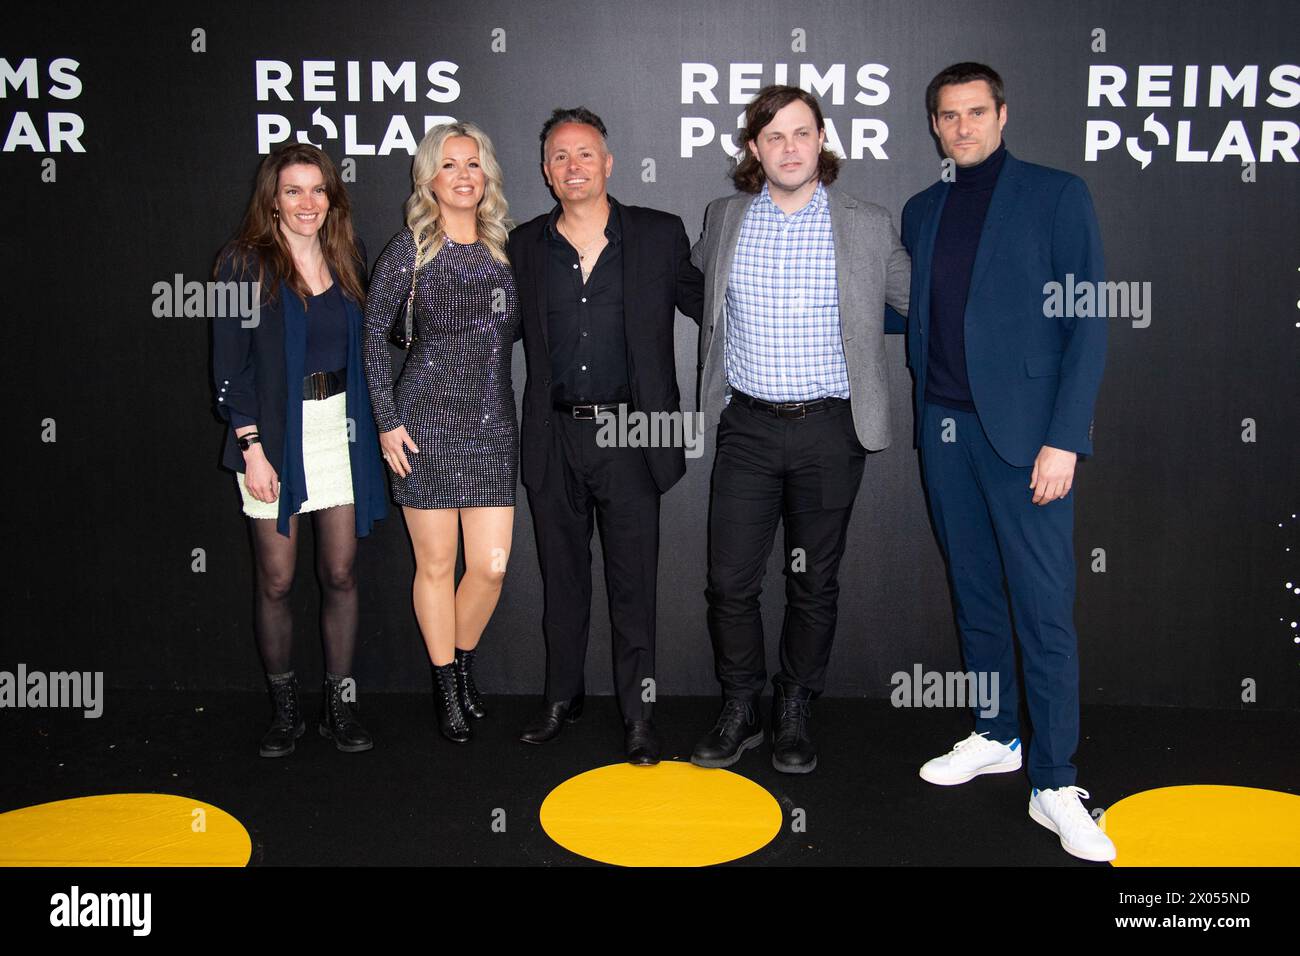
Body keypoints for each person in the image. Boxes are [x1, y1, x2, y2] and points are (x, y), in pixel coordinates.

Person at [890, 62, 1113, 861]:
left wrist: (1067, 437)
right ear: (935, 125)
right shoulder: (922, 210)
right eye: (948, 116)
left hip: (1029, 444)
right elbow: (904, 310)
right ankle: (996, 734)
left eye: (976, 112)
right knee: (977, 595)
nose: (963, 127)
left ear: (1003, 113)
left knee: (1043, 611)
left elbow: (1088, 321)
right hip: (945, 435)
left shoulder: (1057, 195)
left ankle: (1055, 781)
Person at [689, 85, 910, 775]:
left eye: (802, 133)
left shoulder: (867, 223)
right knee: (730, 583)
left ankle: (794, 706)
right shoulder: (724, 218)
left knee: (815, 584)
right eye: (774, 136)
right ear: (753, 148)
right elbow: (691, 292)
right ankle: (740, 705)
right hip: (747, 428)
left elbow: (921, 301)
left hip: (830, 432)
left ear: (823, 141)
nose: (790, 147)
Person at [508, 107, 704, 765]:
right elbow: (483, 329)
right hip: (553, 436)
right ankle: (562, 698)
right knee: (562, 582)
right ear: (545, 170)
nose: (573, 166)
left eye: (585, 154)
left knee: (633, 587)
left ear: (608, 162)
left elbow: (716, 303)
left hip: (633, 434)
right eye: (560, 156)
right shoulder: (524, 245)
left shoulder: (658, 235)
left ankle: (639, 716)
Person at [212, 142, 388, 758]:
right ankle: (284, 712)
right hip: (274, 438)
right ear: (273, 198)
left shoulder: (348, 255)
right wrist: (251, 447)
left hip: (339, 430)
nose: (307, 203)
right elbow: (228, 366)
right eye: (293, 191)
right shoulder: (242, 263)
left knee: (339, 573)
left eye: (318, 190)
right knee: (278, 580)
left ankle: (341, 709)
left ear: (331, 197)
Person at [362, 122, 520, 744]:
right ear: (429, 178)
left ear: (487, 177)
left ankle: (463, 660)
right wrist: (387, 420)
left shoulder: (506, 247)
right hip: (423, 425)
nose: (463, 175)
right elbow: (372, 335)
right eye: (450, 164)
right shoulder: (412, 249)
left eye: (473, 164)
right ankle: (446, 683)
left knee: (490, 566)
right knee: (435, 565)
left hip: (491, 424)